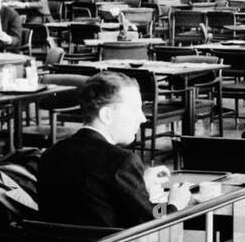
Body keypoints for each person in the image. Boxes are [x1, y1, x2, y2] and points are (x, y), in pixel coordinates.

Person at [37, 72, 189, 229]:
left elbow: (98, 203)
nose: (143, 118)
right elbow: (149, 218)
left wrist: (140, 184)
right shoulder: (121, 161)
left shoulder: (50, 155)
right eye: (135, 109)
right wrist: (174, 205)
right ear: (107, 115)